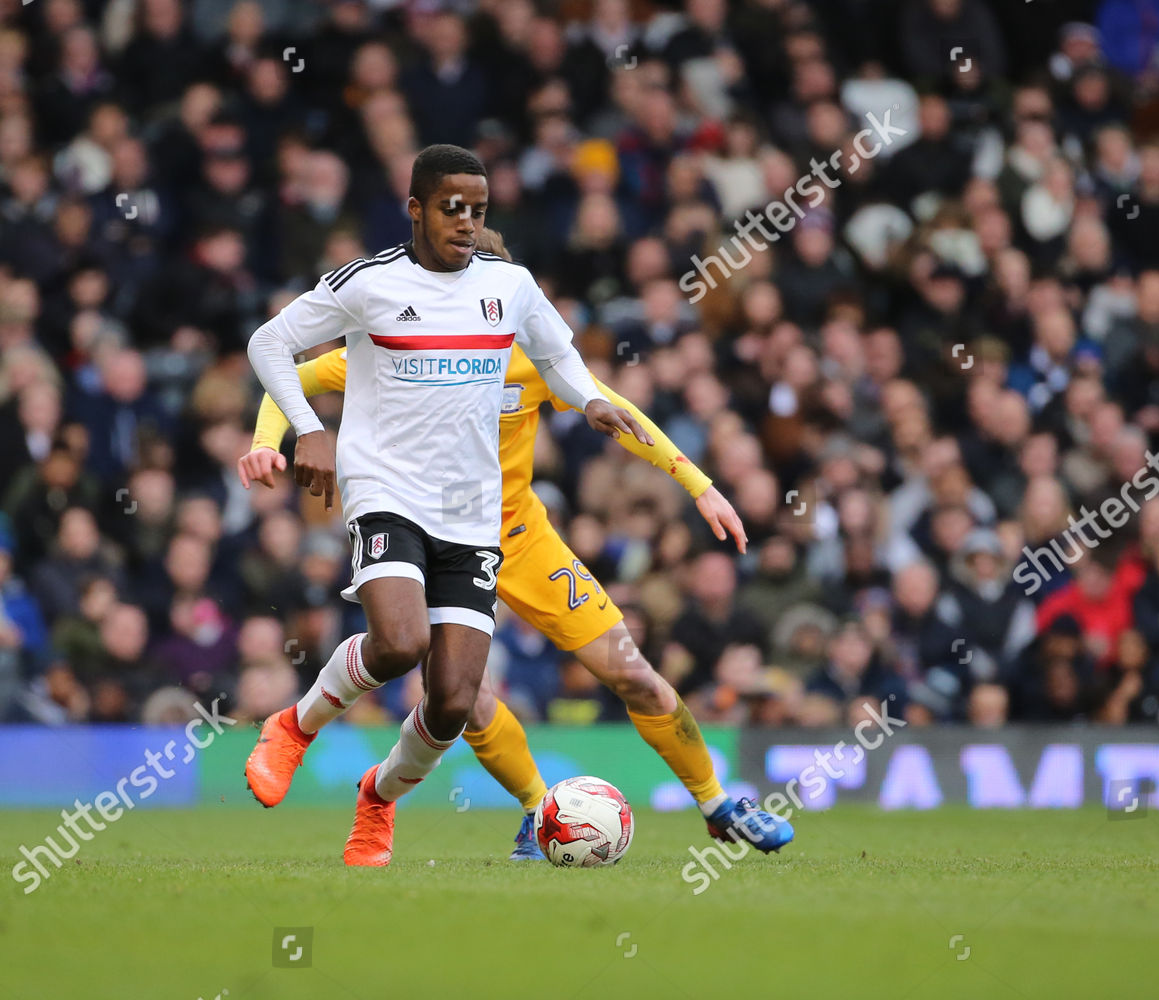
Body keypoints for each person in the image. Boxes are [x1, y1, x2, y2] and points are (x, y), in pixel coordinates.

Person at [239, 227, 793, 858]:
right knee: (461, 695)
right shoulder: (409, 345)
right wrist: (264, 444)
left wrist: (700, 486)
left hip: (523, 541)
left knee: (630, 670)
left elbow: (617, 410)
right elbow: (292, 377)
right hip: (424, 528)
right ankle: (536, 809)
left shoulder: (530, 356)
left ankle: (717, 804)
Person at [243, 144, 643, 867]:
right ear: (417, 208)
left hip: (470, 510)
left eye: (478, 210)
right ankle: (294, 729)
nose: (465, 222)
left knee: (454, 700)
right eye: (452, 207)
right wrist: (309, 429)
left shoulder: (510, 286)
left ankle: (378, 799)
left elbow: (557, 354)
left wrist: (588, 401)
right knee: (400, 643)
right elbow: (269, 343)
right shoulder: (368, 284)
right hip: (385, 491)